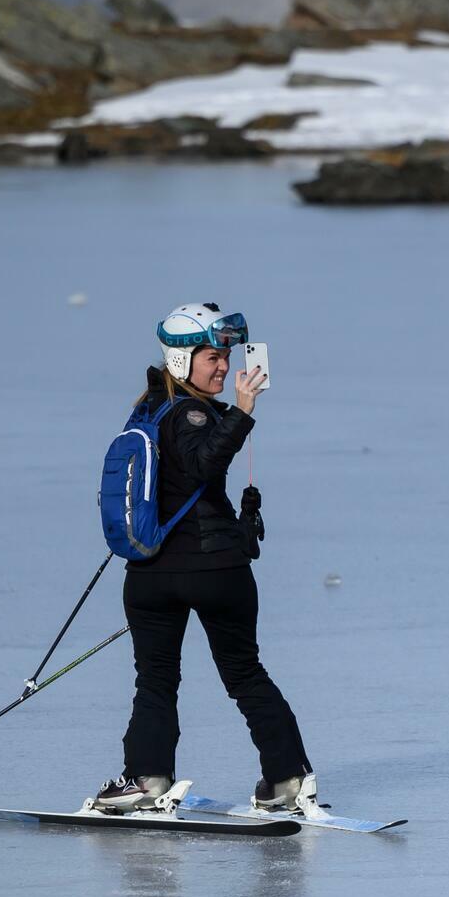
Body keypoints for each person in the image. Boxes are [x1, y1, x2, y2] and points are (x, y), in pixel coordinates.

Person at [92, 302, 318, 814]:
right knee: (244, 674)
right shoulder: (192, 413)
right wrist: (241, 411)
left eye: (225, 356)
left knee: (156, 680)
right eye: (212, 357)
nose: (223, 366)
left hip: (153, 573)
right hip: (216, 570)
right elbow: (202, 464)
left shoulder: (149, 410)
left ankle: (147, 779)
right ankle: (286, 779)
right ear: (180, 360)